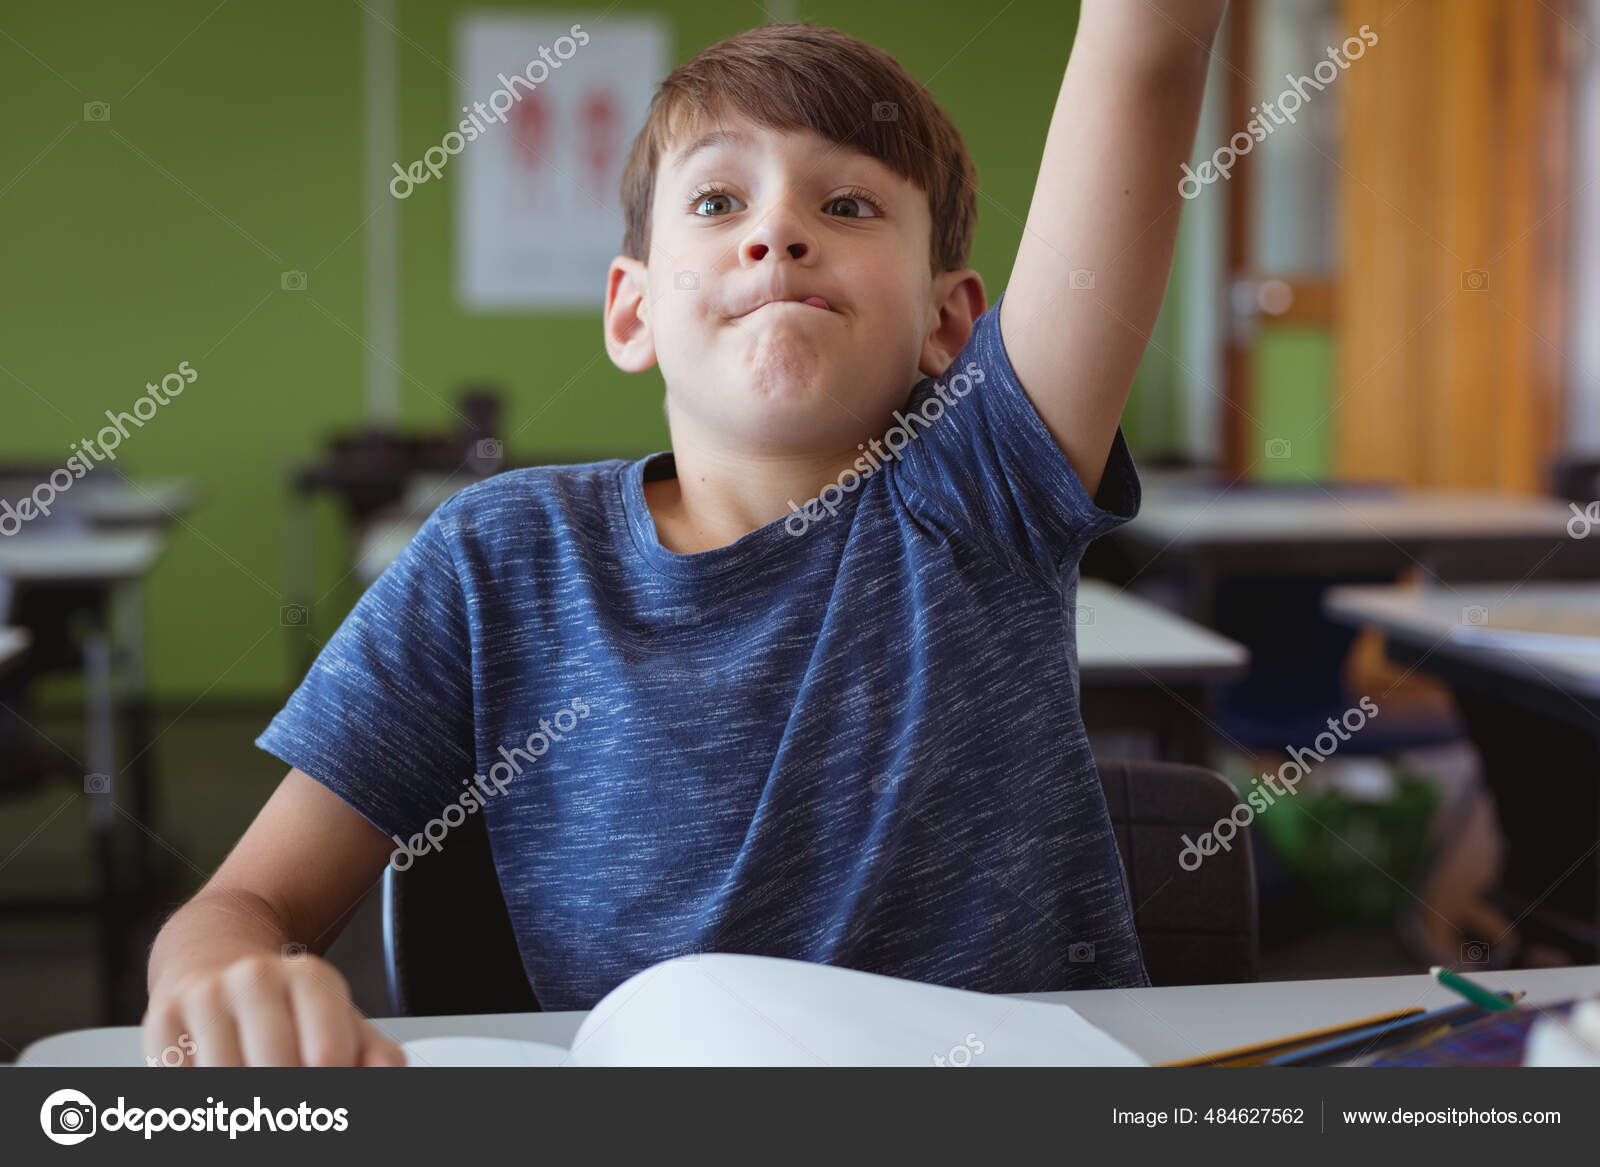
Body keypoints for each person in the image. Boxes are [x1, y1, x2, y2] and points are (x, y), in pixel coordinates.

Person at [143, 6, 1226, 1067]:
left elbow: (1147, 51)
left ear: (949, 322)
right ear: (634, 309)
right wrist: (222, 981)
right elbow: (246, 901)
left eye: (847, 205)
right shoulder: (497, 557)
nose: (777, 230)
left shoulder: (986, 484)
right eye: (716, 200)